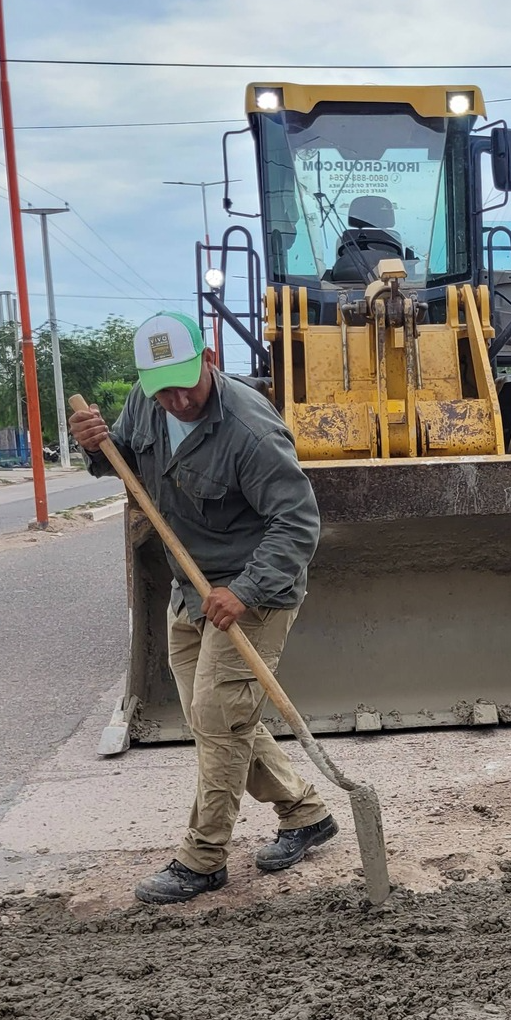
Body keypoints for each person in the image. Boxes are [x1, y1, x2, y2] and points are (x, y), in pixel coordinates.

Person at [69, 312, 337, 903]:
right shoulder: (145, 403)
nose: (178, 400)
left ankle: (204, 857)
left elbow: (298, 523)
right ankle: (305, 812)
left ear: (209, 359)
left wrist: (243, 591)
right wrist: (95, 447)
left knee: (219, 721)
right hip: (190, 588)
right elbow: (126, 464)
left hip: (255, 590)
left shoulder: (249, 429)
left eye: (187, 384)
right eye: (163, 389)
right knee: (216, 719)